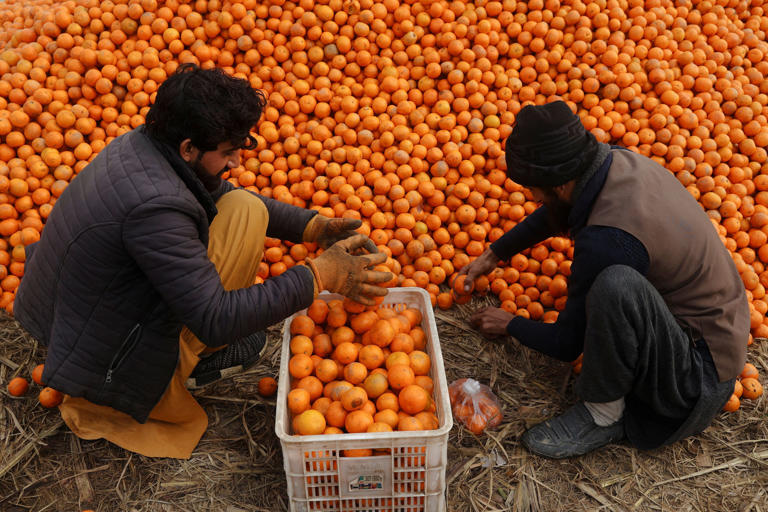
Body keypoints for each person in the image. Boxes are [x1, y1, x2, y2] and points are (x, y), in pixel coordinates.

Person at [13, 64, 392, 459]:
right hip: (103, 354)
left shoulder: (146, 146)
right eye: (227, 153)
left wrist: (312, 227)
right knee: (223, 311)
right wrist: (319, 274)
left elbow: (217, 190)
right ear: (189, 148)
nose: (235, 163)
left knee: (243, 207)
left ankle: (185, 355)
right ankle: (156, 384)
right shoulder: (155, 208)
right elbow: (216, 318)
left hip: (89, 312)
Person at [461, 100, 749, 458]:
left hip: (695, 379)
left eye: (534, 189)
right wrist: (495, 253)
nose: (532, 196)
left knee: (614, 286)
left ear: (561, 184)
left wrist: (511, 324)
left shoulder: (609, 240)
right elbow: (556, 210)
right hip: (717, 331)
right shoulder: (614, 162)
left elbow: (567, 344)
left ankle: (603, 414)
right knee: (612, 280)